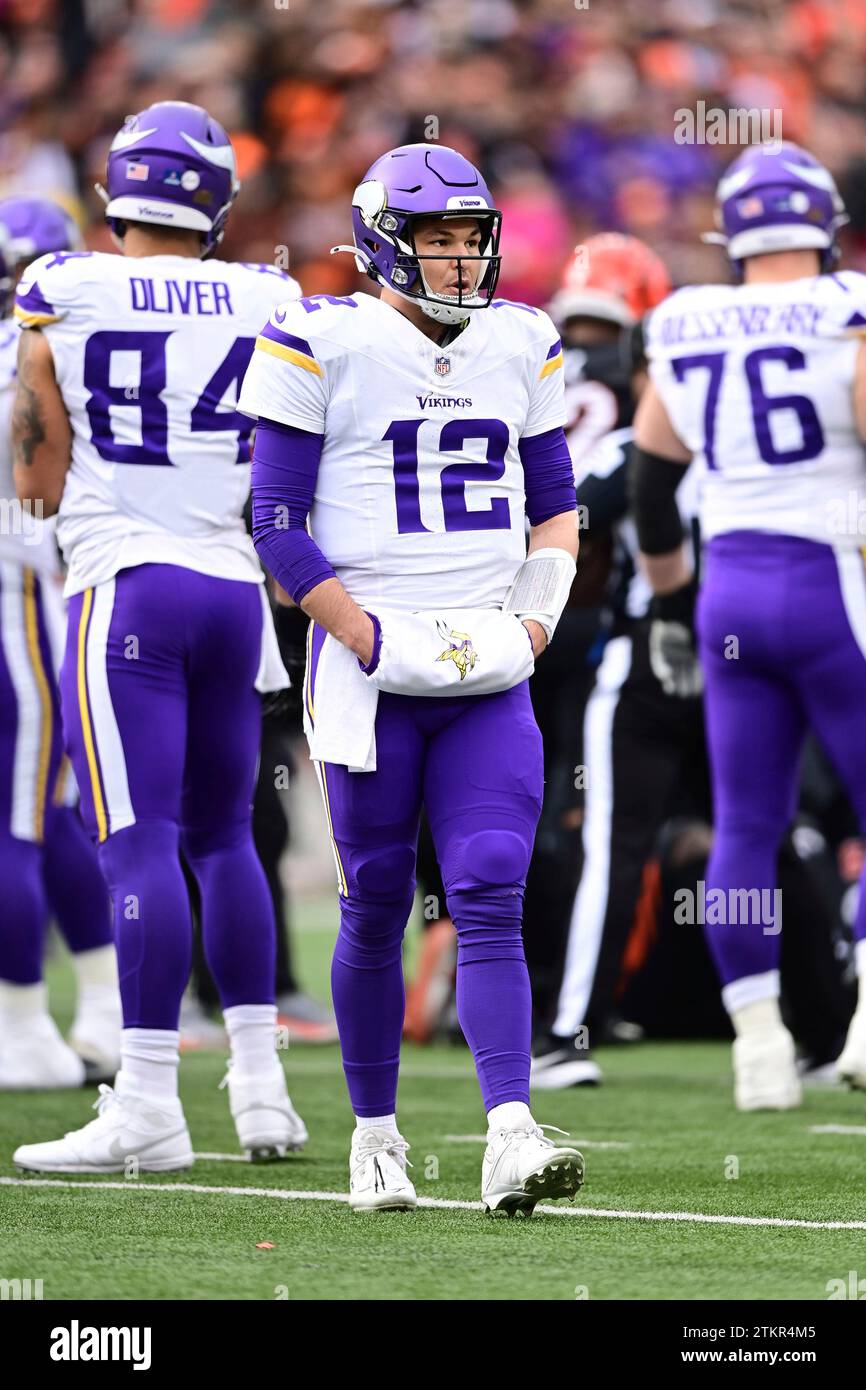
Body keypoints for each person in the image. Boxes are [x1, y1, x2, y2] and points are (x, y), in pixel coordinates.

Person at [239, 143, 585, 1216]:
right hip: (368, 654)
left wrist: (534, 622)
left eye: (471, 237)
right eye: (437, 238)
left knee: (490, 882)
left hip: (486, 653)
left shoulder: (521, 339)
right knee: (377, 895)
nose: (459, 257)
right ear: (386, 242)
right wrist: (360, 633)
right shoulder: (321, 336)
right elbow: (276, 522)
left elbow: (556, 507)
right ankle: (375, 1137)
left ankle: (509, 1131)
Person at [12, 101, 307, 1172]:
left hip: (127, 591)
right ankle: (262, 1090)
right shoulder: (270, 295)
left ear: (115, 194)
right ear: (216, 202)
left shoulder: (63, 285)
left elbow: (38, 483)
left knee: (137, 842)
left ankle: (145, 1102)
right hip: (234, 593)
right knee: (226, 840)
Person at [631, 141, 866, 1109]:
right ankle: (862, 1022)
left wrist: (672, 603)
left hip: (729, 590)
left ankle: (758, 1044)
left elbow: (652, 490)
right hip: (834, 583)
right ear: (822, 224)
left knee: (745, 824)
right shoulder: (846, 308)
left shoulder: (687, 319)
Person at [0, 195, 120, 1090]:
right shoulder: (39, 350)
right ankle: (26, 1028)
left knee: (41, 807)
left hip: (26, 588)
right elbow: (38, 509)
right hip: (21, 596)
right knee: (28, 813)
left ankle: (85, 1012)